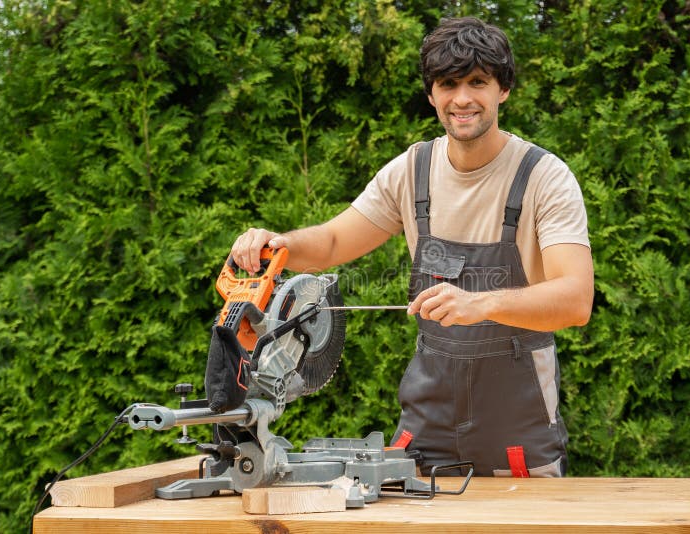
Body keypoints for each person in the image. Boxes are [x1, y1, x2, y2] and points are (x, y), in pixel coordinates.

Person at [230, 17, 593, 477]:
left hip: (518, 441)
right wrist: (277, 244)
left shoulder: (545, 178)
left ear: (503, 89)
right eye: (448, 84)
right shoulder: (412, 170)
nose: (462, 98)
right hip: (426, 436)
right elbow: (334, 240)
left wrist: (481, 303)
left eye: (478, 82)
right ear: (431, 95)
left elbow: (576, 299)